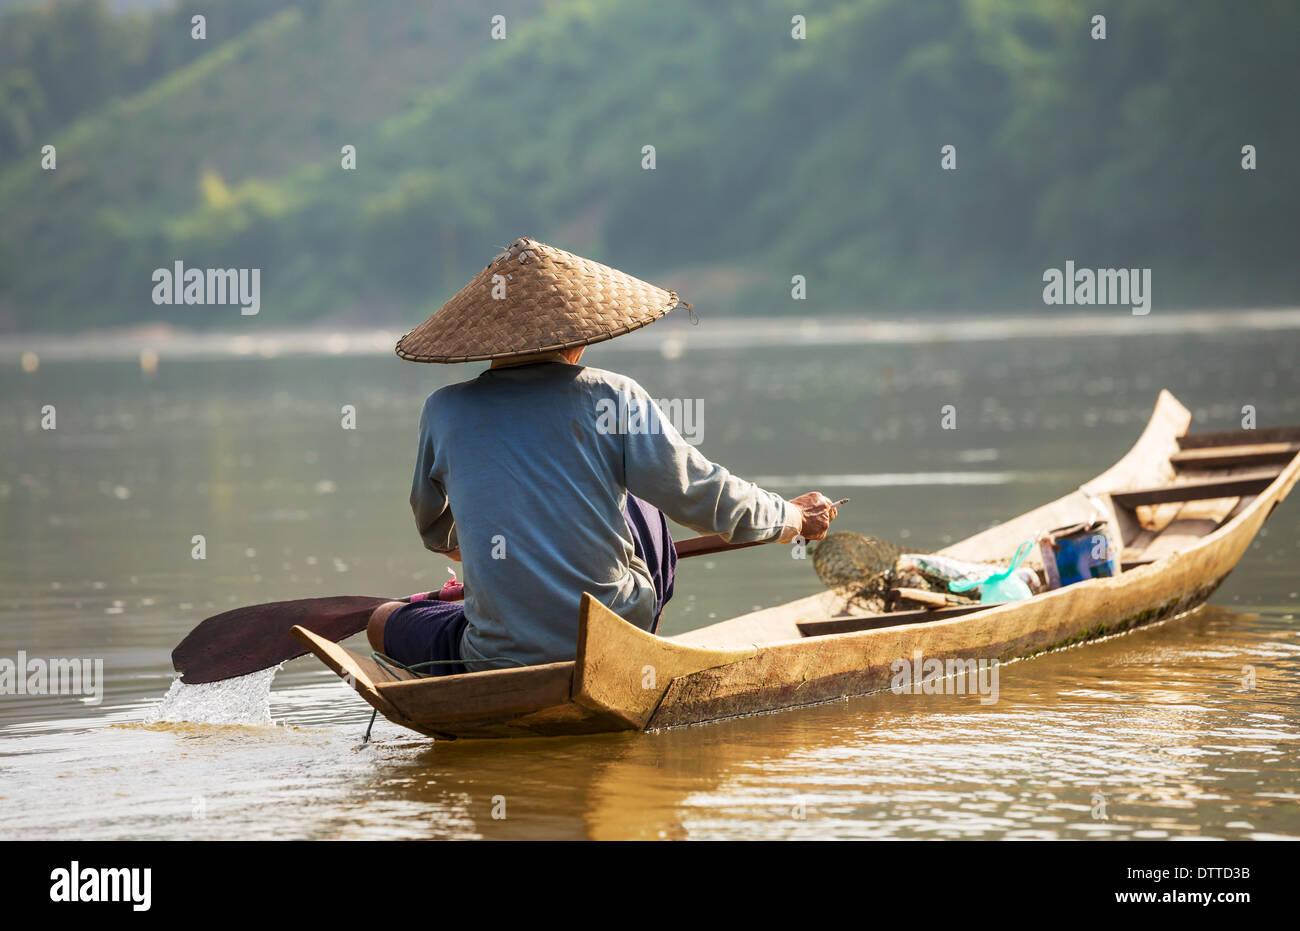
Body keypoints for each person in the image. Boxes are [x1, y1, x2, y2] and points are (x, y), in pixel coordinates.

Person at [367, 237, 838, 674]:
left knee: (382, 621)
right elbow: (698, 493)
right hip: (613, 632)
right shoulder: (613, 396)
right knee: (647, 491)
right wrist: (791, 518)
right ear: (578, 336)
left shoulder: (443, 410)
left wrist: (496, 559)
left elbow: (432, 525)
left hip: (494, 653)